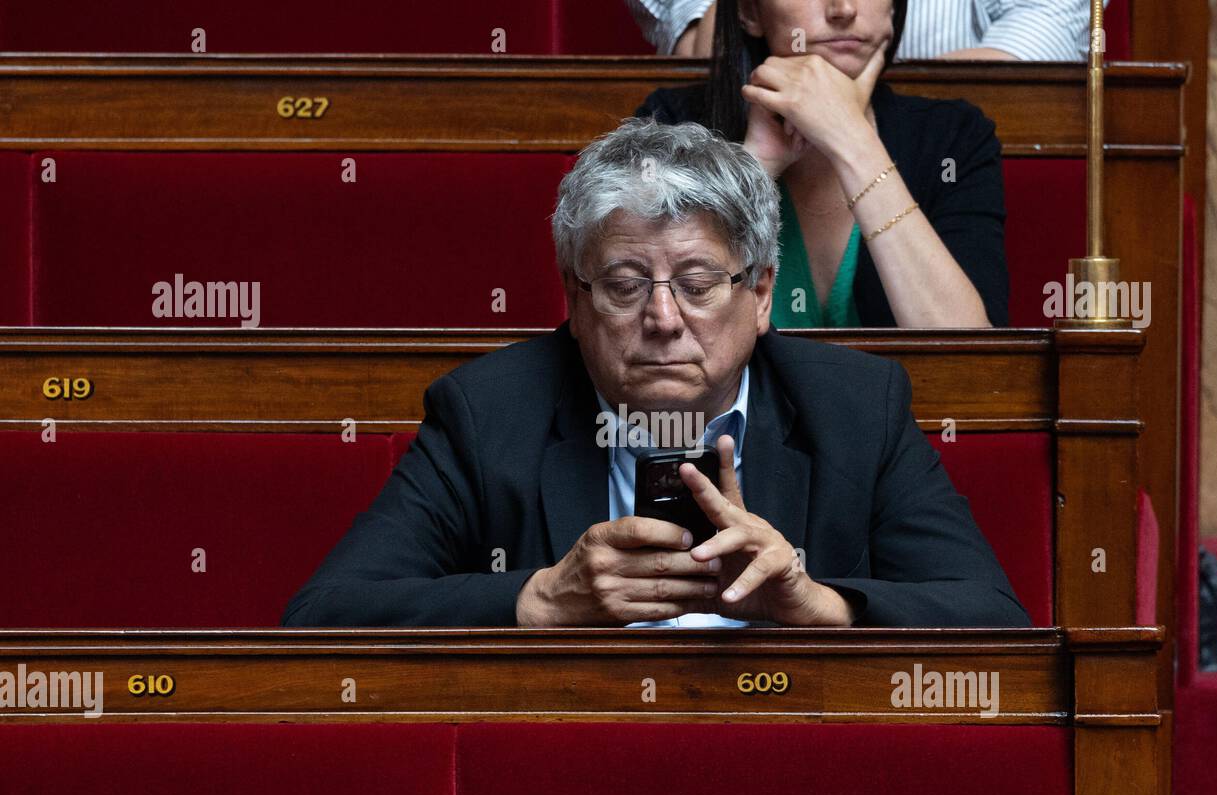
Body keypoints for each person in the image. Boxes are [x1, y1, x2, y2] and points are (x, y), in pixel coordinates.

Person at [281, 119, 1028, 629]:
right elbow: (324, 614)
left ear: (761, 294)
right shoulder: (488, 413)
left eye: (698, 285)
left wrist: (816, 605)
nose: (664, 318)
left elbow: (992, 616)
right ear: (575, 299)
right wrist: (539, 600)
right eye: (625, 285)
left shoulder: (855, 408)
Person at [636, 0, 1009, 329]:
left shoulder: (953, 138)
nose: (843, 10)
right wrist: (755, 165)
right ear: (750, 11)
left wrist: (853, 142)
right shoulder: (673, 123)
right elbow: (659, 318)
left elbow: (971, 353)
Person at [627, 0, 1109, 60]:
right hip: (761, 149)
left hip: (950, 167)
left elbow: (1027, 58)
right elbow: (707, 61)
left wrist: (853, 119)